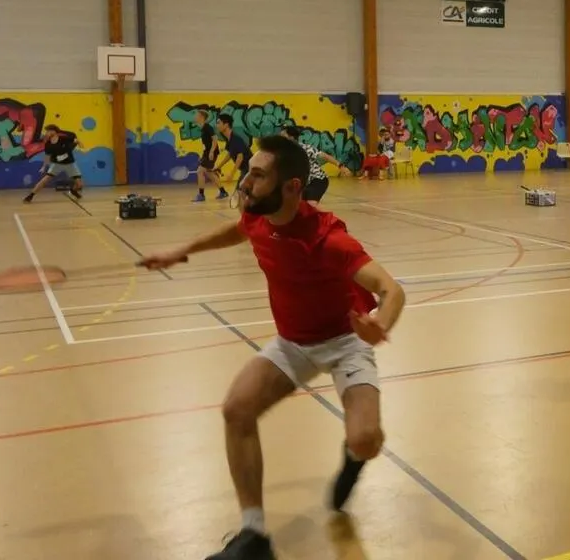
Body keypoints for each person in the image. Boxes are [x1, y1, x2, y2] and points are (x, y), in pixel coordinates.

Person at [139, 135, 406, 560]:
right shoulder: (258, 218)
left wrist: (380, 325)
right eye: (249, 172)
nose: (246, 182)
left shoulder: (329, 238)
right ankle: (254, 535)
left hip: (345, 343)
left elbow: (391, 289)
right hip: (293, 343)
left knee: (366, 439)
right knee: (237, 409)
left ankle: (354, 456)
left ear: (292, 187)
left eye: (258, 175)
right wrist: (182, 250)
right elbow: (237, 231)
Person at [280, 126, 349, 205]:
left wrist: (340, 165)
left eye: (283, 136)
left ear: (291, 138)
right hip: (303, 183)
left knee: (311, 204)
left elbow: (325, 156)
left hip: (318, 180)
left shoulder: (305, 149)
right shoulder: (283, 153)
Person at [23, 125, 84, 203]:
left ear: (54, 131)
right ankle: (30, 196)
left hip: (70, 163)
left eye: (48, 131)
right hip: (57, 164)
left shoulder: (63, 139)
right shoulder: (48, 144)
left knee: (79, 184)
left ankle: (73, 191)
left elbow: (75, 140)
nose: (47, 133)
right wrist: (44, 167)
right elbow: (47, 156)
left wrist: (79, 143)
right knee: (45, 180)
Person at [193, 109, 229, 202]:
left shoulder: (207, 127)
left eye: (196, 115)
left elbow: (215, 139)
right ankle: (223, 192)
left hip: (211, 153)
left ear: (201, 117)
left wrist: (212, 152)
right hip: (207, 153)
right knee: (209, 172)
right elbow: (207, 143)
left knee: (200, 171)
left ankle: (201, 195)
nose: (195, 117)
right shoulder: (203, 128)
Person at [214, 113, 253, 195]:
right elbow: (230, 154)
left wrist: (232, 174)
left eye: (218, 123)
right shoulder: (229, 139)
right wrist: (219, 167)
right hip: (246, 169)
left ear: (226, 125)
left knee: (239, 192)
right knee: (242, 193)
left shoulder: (236, 139)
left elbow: (240, 157)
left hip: (249, 169)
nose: (217, 125)